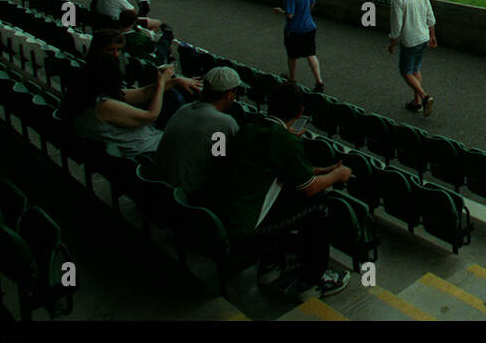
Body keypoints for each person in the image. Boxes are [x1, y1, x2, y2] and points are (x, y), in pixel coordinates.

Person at [206, 82, 351, 300]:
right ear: (300, 112)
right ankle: (314, 280)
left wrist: (323, 170)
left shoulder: (249, 128)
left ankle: (271, 264)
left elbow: (278, 167)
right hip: (248, 227)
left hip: (226, 213)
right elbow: (310, 187)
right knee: (318, 203)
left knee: (293, 196)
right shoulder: (285, 140)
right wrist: (337, 174)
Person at [65, 31, 200, 157]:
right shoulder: (103, 105)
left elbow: (139, 93)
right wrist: (161, 84)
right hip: (145, 147)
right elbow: (150, 116)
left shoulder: (88, 86)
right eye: (111, 50)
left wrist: (173, 81)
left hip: (133, 141)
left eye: (118, 50)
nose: (116, 55)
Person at [155, 66, 242, 201]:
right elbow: (222, 163)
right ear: (229, 94)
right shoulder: (223, 124)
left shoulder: (183, 109)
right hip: (185, 196)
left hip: (159, 187)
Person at [387, 0, 436, 115]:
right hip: (423, 37)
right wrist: (432, 35)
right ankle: (416, 103)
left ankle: (424, 97)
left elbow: (397, 24)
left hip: (410, 40)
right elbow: (430, 15)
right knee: (415, 68)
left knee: (405, 71)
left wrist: (393, 43)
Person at [273, 0, 322, 91]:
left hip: (295, 31)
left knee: (292, 55)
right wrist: (306, 14)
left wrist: (280, 11)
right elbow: (313, 2)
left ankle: (292, 78)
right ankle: (319, 81)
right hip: (309, 27)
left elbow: (290, 14)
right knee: (311, 54)